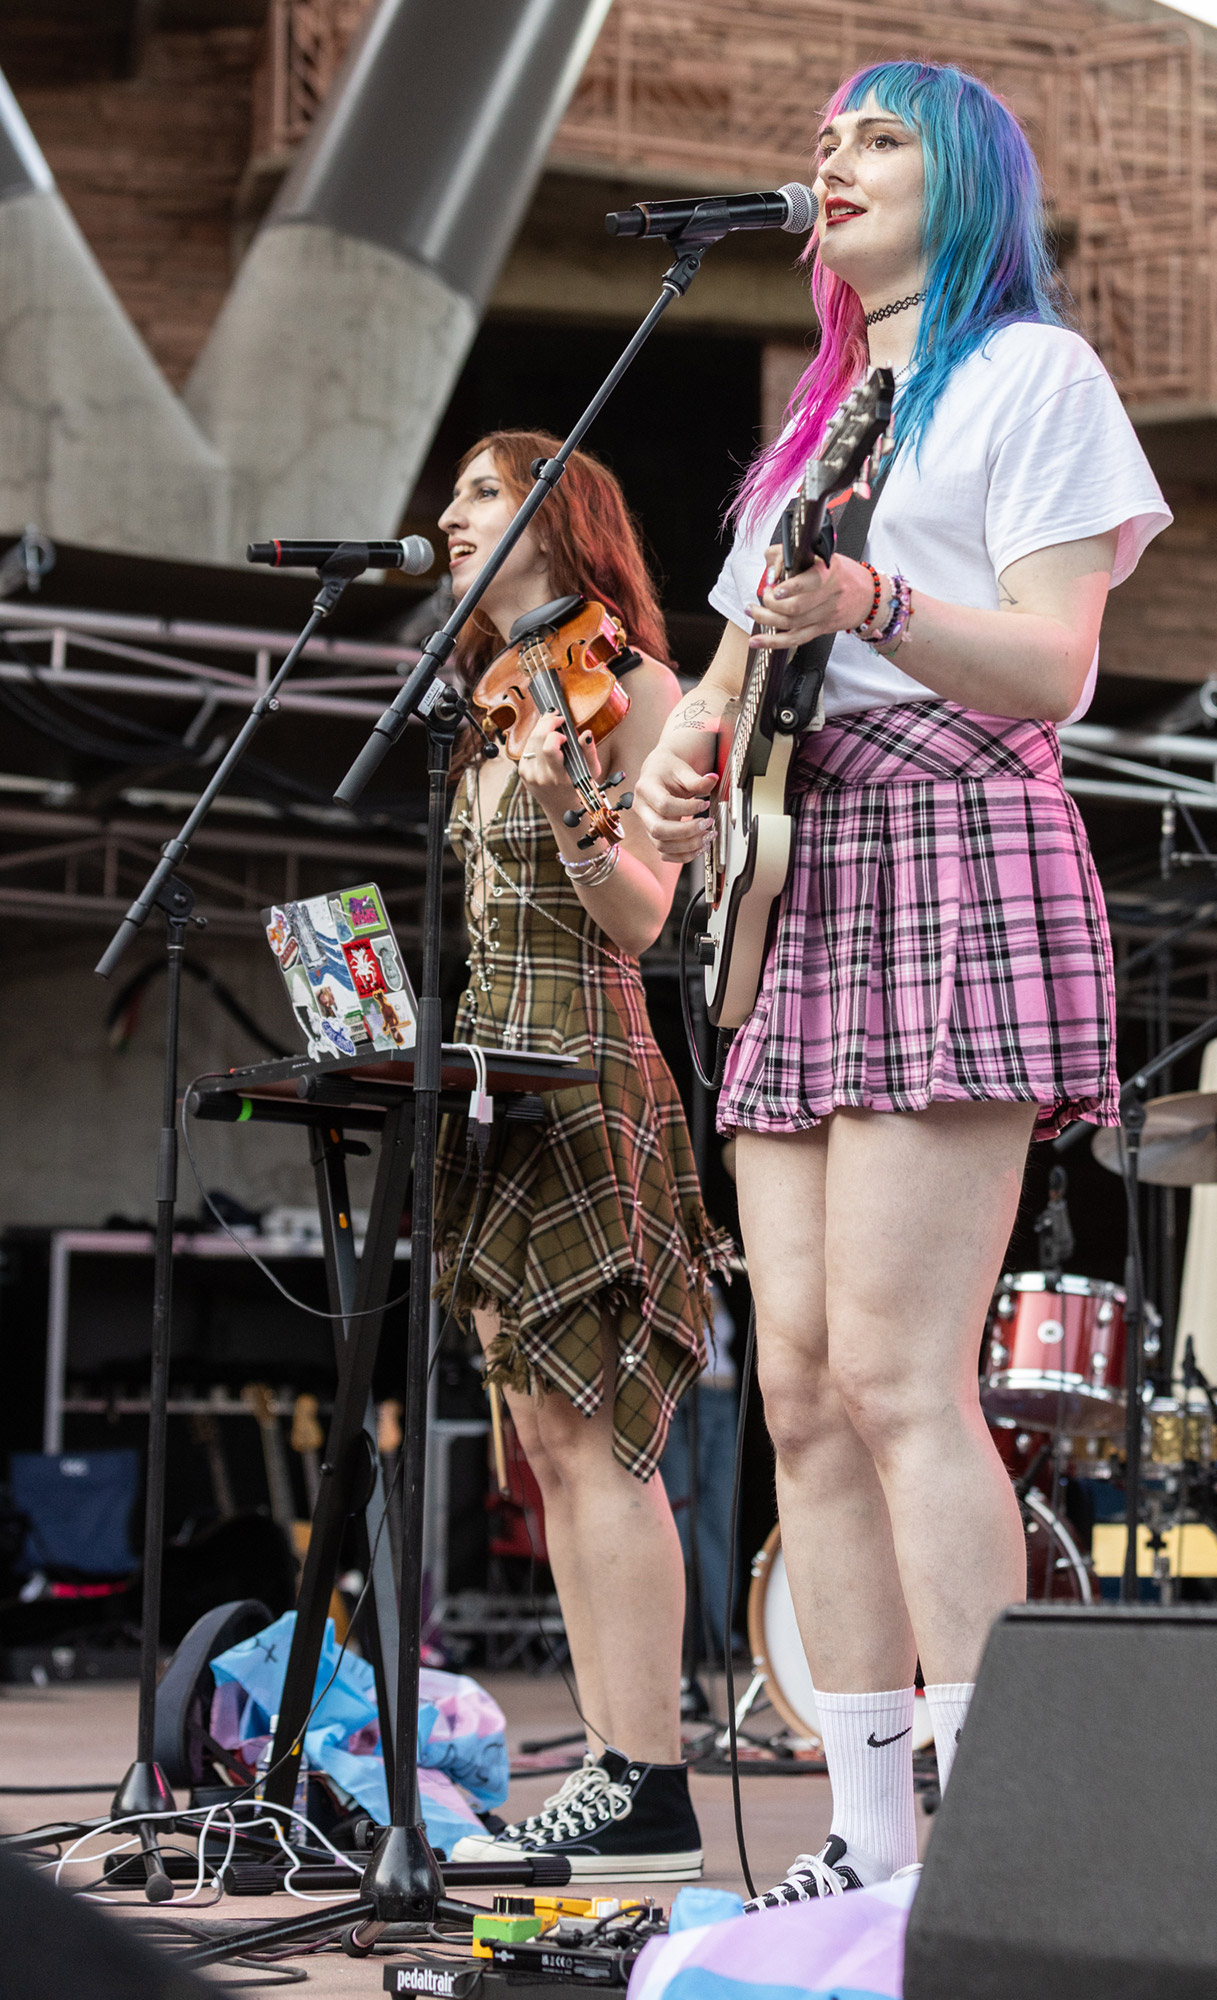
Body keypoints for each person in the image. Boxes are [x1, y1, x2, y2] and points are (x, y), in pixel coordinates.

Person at [635, 61, 1170, 1906]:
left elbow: (1053, 670)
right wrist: (673, 762)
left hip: (954, 843)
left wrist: (875, 607)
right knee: (787, 1384)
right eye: (825, 139)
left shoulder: (1036, 377)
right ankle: (867, 1853)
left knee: (897, 1370)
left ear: (964, 178)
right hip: (802, 877)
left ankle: (1003, 1846)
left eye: (873, 137)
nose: (830, 162)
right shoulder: (818, 419)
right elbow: (724, 680)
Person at [433, 429, 728, 1882]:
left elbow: (644, 922)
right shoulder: (495, 704)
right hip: (500, 1076)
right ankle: (611, 1772)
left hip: (588, 1066)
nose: (448, 519)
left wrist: (563, 804)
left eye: (479, 494)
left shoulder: (640, 688)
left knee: (607, 1438)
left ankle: (648, 1778)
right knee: (548, 1446)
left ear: (561, 517)